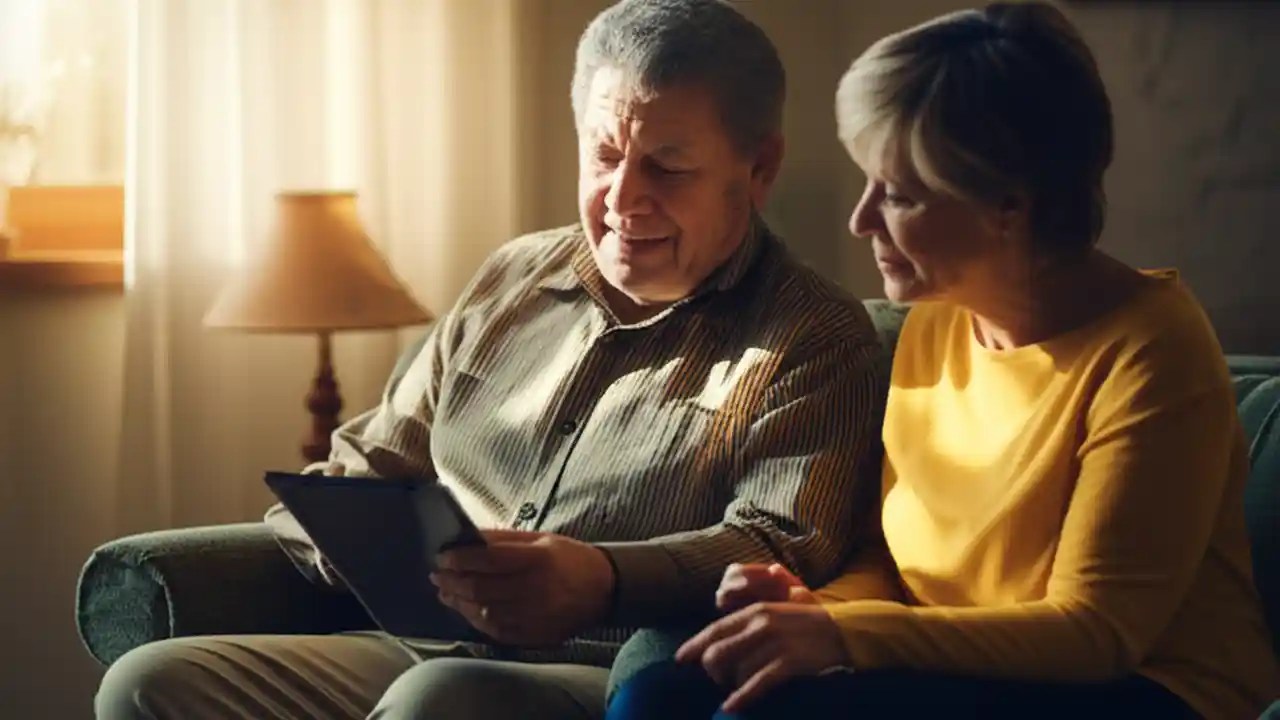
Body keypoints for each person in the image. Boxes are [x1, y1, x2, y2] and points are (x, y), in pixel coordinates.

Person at [94, 1, 885, 719]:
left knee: (439, 699)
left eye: (668, 169)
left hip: (611, 672)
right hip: (419, 648)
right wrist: (345, 531)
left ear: (759, 168)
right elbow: (374, 458)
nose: (622, 200)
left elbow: (784, 545)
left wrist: (603, 578)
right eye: (605, 156)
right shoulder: (513, 277)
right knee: (152, 681)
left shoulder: (816, 334)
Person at [606, 3, 1280, 719]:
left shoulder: (1150, 350)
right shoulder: (933, 323)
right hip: (950, 664)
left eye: (897, 194)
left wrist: (842, 634)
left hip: (1145, 689)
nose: (861, 220)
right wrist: (812, 607)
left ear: (1008, 205)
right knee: (657, 695)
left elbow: (1095, 632)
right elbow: (885, 561)